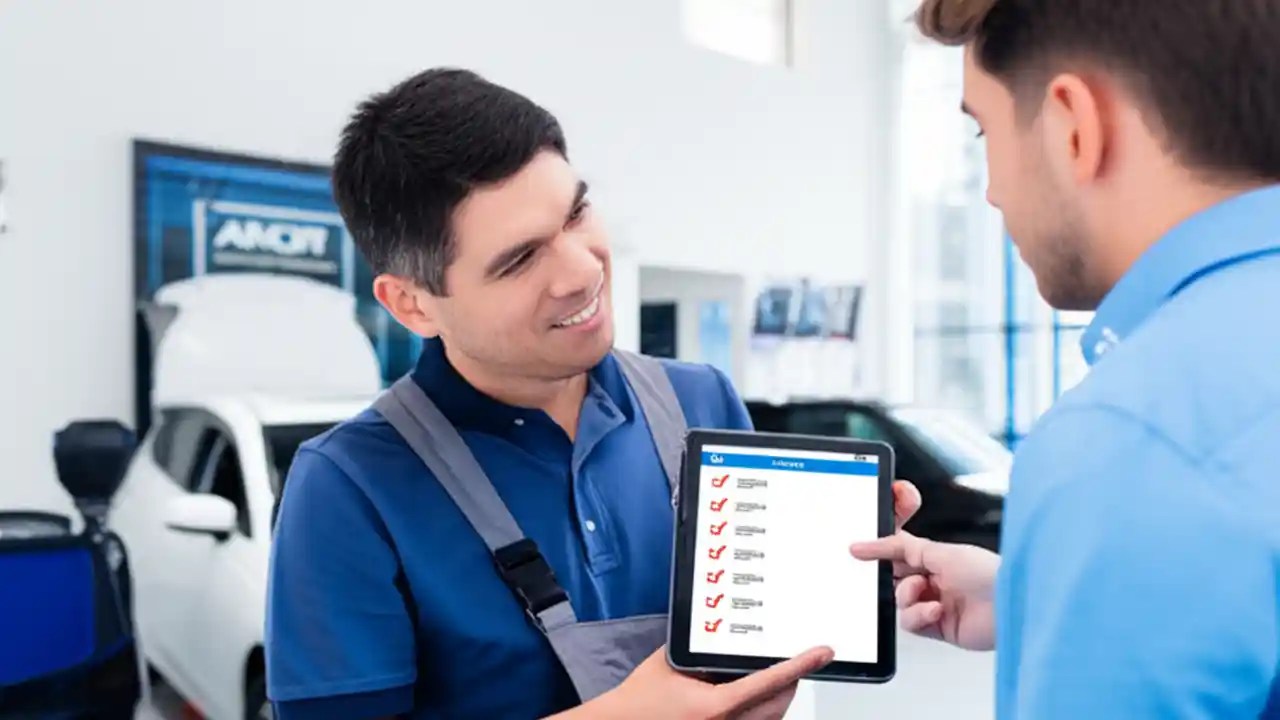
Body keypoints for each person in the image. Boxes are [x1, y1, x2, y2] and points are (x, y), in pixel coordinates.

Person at [263, 67, 837, 719]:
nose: (583, 268)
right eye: (519, 260)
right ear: (412, 304)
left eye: (577, 213)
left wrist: (832, 571)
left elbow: (762, 641)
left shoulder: (701, 404)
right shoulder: (348, 489)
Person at [854, 0, 1280, 717]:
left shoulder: (1136, 437)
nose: (990, 192)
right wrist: (1038, 592)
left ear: (1071, 126)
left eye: (984, 131)